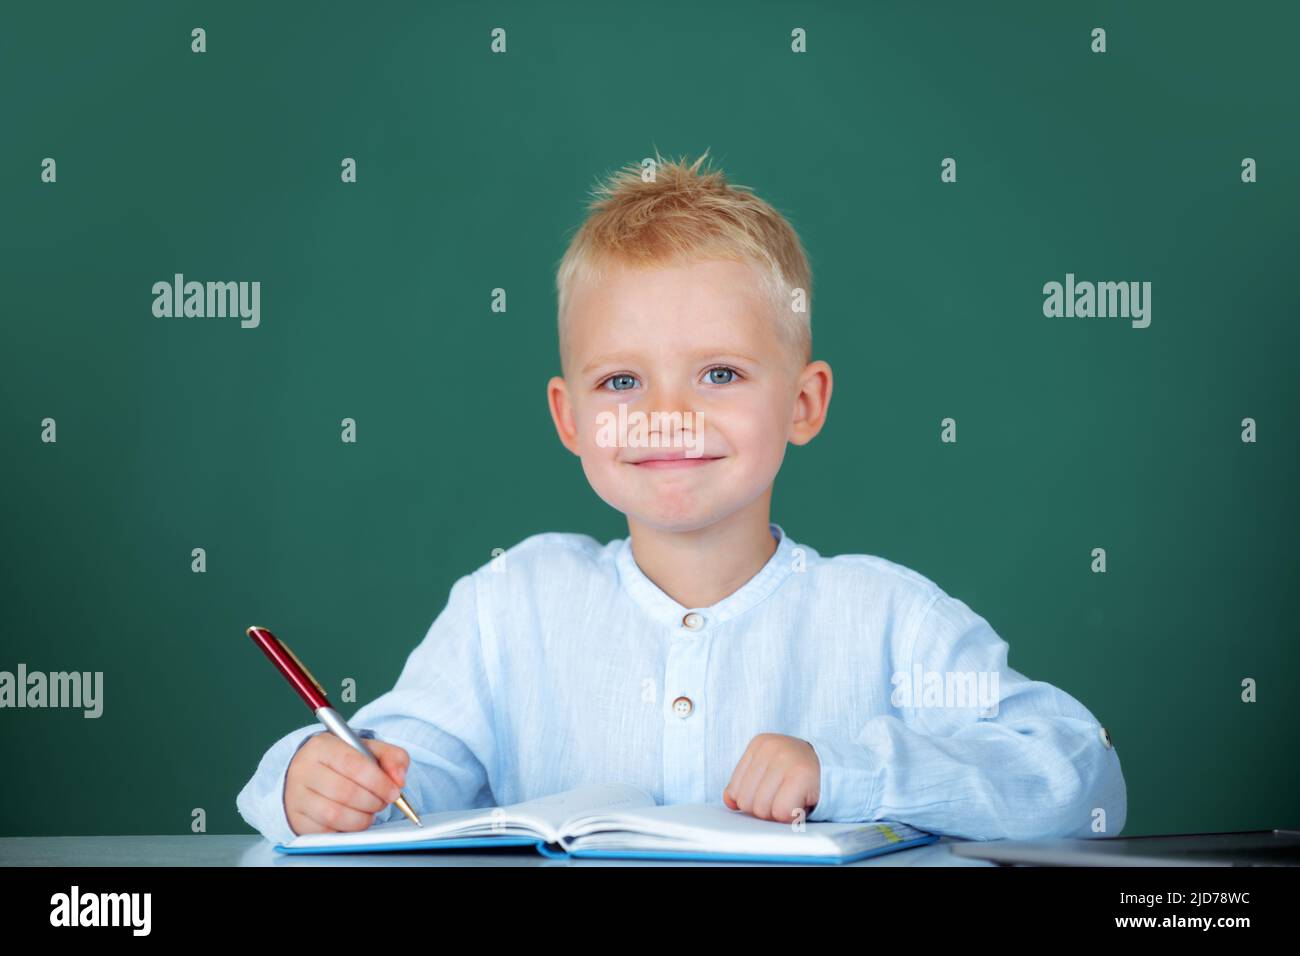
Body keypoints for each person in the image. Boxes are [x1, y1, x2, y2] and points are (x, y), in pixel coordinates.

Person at [236, 150, 1126, 846]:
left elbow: (1081, 776)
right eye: (621, 381)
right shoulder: (510, 608)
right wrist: (313, 783)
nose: (666, 415)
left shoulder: (887, 617)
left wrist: (845, 773)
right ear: (570, 417)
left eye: (720, 372)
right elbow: (397, 774)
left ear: (804, 403)